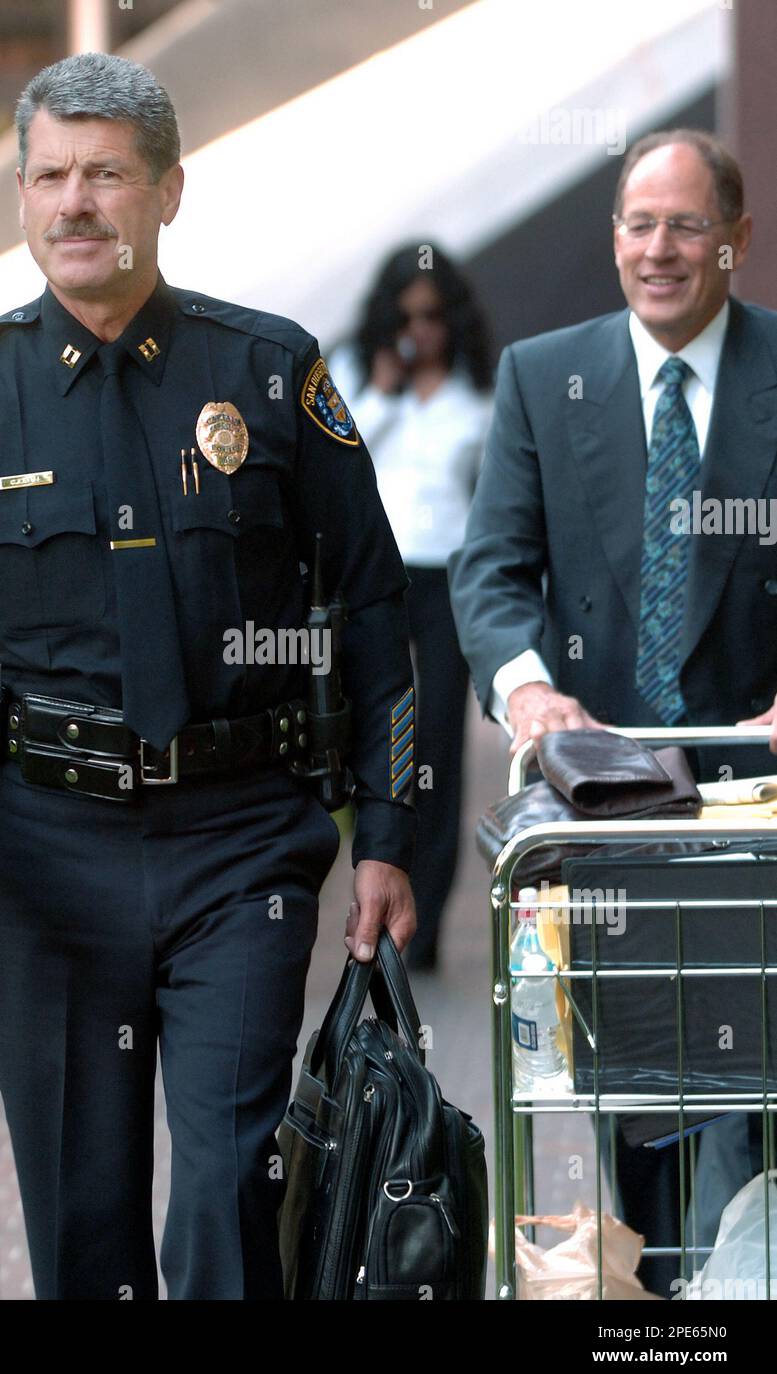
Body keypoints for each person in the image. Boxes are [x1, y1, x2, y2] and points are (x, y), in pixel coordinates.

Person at [0, 51, 417, 1301]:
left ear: (167, 192)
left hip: (240, 841)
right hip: (46, 857)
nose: (73, 203)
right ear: (22, 199)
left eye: (104, 175)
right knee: (83, 1218)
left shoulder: (268, 373)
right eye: (48, 177)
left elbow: (372, 600)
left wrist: (390, 830)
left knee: (225, 1185)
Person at [449, 127, 777, 1297]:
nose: (658, 248)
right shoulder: (544, 375)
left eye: (686, 224)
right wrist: (526, 684)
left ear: (732, 240)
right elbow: (487, 571)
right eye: (638, 223)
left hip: (752, 810)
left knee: (747, 1105)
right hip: (607, 809)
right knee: (633, 1102)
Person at [328, 245, 493, 970]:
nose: (418, 329)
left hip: (445, 577)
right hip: (370, 580)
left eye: (431, 315)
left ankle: (418, 928)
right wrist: (384, 391)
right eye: (405, 315)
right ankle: (358, 894)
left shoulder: (477, 393)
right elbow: (337, 464)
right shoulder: (353, 377)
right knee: (361, 730)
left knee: (434, 743)